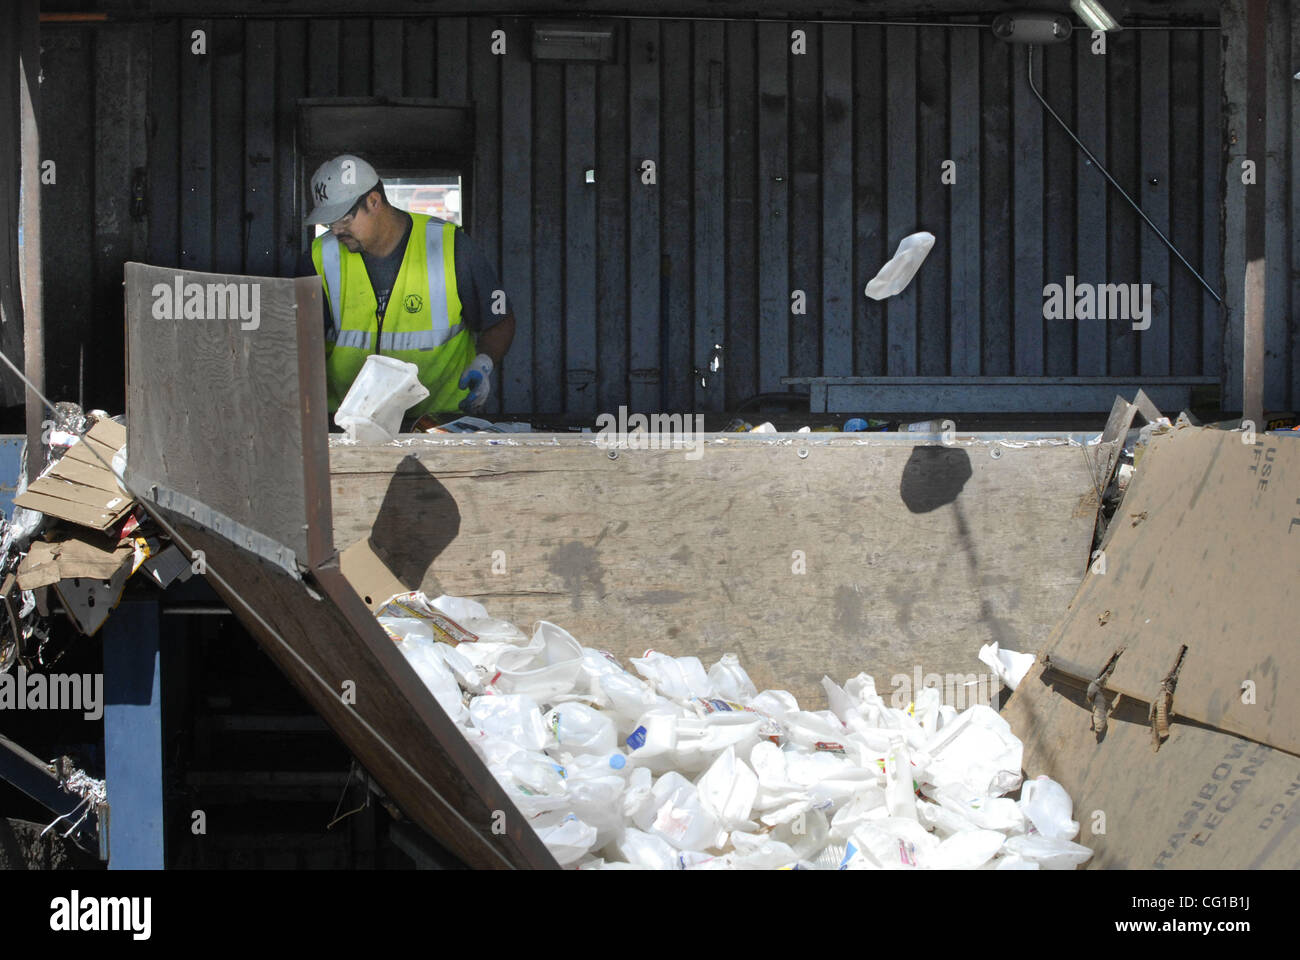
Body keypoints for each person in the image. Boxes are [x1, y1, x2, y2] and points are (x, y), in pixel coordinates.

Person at [301, 154, 514, 420]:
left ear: (373, 201)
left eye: (343, 219)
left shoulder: (450, 247)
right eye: (328, 222)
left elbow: (499, 321)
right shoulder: (320, 256)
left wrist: (483, 364)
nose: (335, 231)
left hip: (438, 423)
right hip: (349, 425)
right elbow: (296, 341)